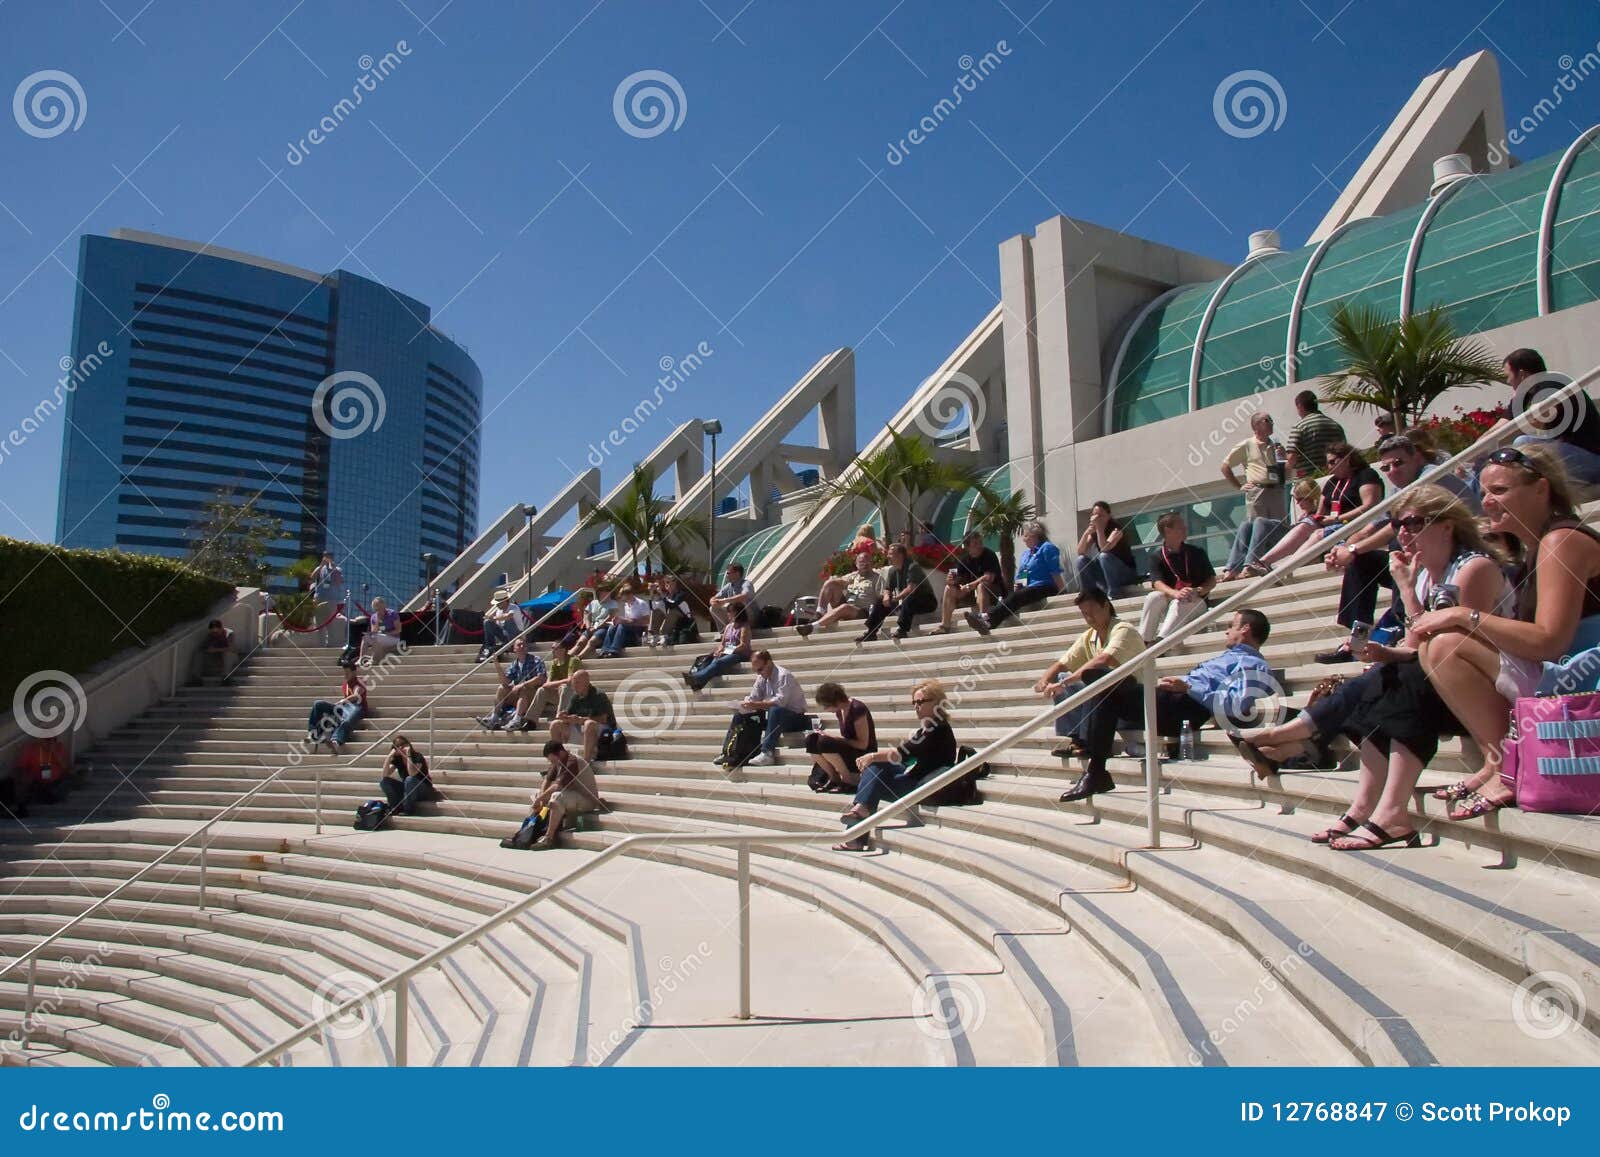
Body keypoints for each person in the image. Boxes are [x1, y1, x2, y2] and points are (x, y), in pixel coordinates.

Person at [1312, 485, 1513, 849]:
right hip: (1449, 677)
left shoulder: (1473, 569)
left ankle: (1393, 813)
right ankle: (1364, 806)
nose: (1403, 532)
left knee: (1408, 680)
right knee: (1380, 678)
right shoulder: (1424, 573)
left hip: (1493, 683)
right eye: (1397, 524)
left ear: (1447, 526)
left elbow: (1448, 647)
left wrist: (1405, 590)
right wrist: (1381, 652)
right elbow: (1417, 647)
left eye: (1414, 523)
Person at [1411, 445, 1600, 819]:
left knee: (1448, 645)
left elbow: (1550, 640)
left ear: (1541, 489)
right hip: (1568, 674)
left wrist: (1467, 616)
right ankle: (1497, 762)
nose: (1487, 502)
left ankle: (1507, 765)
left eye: (1500, 490)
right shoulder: (1537, 547)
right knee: (1435, 646)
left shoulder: (1561, 540)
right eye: (1483, 493)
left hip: (1584, 679)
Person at [1061, 610, 1273, 802]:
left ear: (1245, 629)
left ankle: (1097, 768)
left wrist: (1188, 687)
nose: (1226, 631)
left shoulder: (1254, 664)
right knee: (1104, 690)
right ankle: (1097, 769)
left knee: (1105, 687)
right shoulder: (1225, 657)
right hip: (1170, 700)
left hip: (1188, 709)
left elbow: (1236, 703)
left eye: (1232, 625)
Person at [1315, 434, 1451, 663]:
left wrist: (1354, 549)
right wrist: (1343, 550)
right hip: (1424, 560)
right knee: (1363, 562)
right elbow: (1373, 525)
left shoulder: (1432, 477)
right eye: (1387, 467)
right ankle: (1357, 640)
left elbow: (1394, 526)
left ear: (1416, 458)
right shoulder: (1399, 491)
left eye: (1399, 463)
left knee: (1398, 545)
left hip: (1448, 559)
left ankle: (1400, 627)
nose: (1392, 472)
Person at [835, 680, 957, 852]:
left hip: (923, 786)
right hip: (916, 777)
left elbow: (902, 754)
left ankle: (857, 828)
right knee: (875, 770)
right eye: (914, 702)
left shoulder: (937, 729)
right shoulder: (928, 728)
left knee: (874, 776)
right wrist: (876, 760)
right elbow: (905, 758)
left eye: (921, 702)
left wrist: (872, 755)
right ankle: (860, 812)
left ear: (936, 701)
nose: (916, 706)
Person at [1034, 587, 1145, 759]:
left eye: (1093, 611)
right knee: (1064, 677)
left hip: (1136, 697)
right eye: (1084, 613)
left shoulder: (1123, 629)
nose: (1089, 618)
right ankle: (1078, 739)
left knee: (1075, 681)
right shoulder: (1089, 636)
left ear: (1106, 606)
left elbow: (1103, 660)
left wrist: (1064, 683)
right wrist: (1045, 680)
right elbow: (1062, 663)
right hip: (1109, 697)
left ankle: (1092, 741)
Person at [1255, 442, 1383, 572]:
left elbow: (1370, 506)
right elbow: (1320, 512)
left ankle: (1284, 569)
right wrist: (1315, 517)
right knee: (1305, 524)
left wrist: (1337, 518)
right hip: (1333, 524)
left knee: (1318, 534)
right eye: (1328, 463)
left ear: (1347, 459)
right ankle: (1264, 562)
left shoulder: (1365, 475)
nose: (1329, 466)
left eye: (1333, 462)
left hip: (1355, 524)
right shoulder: (1332, 482)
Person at [1503, 348, 1600, 486]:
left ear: (1522, 374)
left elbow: (1538, 420)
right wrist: (1478, 449)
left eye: (1508, 376)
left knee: (1523, 443)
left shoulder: (1554, 384)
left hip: (1593, 460)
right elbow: (1498, 428)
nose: (1507, 381)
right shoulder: (1526, 395)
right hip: (1574, 459)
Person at [1218, 412, 1288, 580]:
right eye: (1267, 420)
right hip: (1258, 491)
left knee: (1276, 527)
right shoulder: (1247, 445)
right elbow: (1225, 466)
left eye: (1271, 419)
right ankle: (1250, 565)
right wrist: (1239, 485)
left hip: (1276, 490)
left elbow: (1286, 469)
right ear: (1256, 426)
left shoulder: (1275, 445)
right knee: (1255, 528)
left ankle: (1264, 562)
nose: (1271, 422)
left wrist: (1284, 458)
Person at [968, 521, 1065, 633]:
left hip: (1045, 586)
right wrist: (1018, 584)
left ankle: (987, 619)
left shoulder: (1047, 548)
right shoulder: (1026, 554)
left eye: (1025, 535)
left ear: (1035, 535)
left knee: (1017, 597)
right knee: (1013, 597)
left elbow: (1055, 571)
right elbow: (1022, 573)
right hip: (1029, 588)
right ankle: (988, 621)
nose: (1023, 539)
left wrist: (1062, 591)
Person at [718, 650, 808, 767]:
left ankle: (767, 753)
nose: (759, 673)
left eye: (760, 669)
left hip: (795, 718)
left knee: (775, 710)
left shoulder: (783, 676)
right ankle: (730, 752)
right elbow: (754, 697)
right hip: (773, 717)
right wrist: (745, 705)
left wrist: (755, 705)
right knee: (741, 716)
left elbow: (780, 702)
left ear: (769, 663)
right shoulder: (761, 677)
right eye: (756, 671)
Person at [1139, 512, 1217, 643]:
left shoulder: (1196, 552)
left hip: (1196, 601)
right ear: (1168, 531)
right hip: (1173, 600)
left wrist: (1197, 590)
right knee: (1153, 597)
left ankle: (1161, 642)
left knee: (1180, 601)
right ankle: (1144, 641)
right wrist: (1175, 593)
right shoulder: (1156, 557)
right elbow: (1157, 583)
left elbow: (1212, 580)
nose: (1185, 529)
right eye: (1181, 527)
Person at [524, 740, 602, 849]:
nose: (552, 763)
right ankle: (526, 832)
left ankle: (549, 838)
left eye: (552, 760)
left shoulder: (573, 761)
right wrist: (540, 799)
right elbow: (547, 779)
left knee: (556, 797)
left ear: (560, 753)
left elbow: (557, 786)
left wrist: (541, 800)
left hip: (587, 800)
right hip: (572, 797)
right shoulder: (558, 761)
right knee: (537, 795)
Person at [806, 682, 877, 791]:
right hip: (851, 751)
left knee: (824, 742)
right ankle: (834, 778)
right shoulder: (840, 711)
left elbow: (863, 744)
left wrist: (835, 739)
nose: (825, 709)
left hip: (863, 753)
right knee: (811, 740)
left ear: (836, 701)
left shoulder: (857, 708)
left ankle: (848, 779)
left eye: (826, 705)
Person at [859, 543, 937, 641]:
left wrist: (896, 598)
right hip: (906, 601)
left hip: (926, 601)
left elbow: (910, 588)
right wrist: (886, 597)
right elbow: (887, 588)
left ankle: (902, 630)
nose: (888, 556)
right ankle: (871, 632)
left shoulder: (913, 567)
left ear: (900, 555)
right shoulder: (892, 571)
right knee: (880, 603)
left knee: (909, 599)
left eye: (890, 554)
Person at [796, 551, 883, 636]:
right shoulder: (852, 576)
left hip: (863, 611)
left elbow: (881, 598)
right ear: (856, 564)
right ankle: (819, 613)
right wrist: (842, 581)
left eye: (868, 561)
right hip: (847, 605)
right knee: (830, 584)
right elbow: (836, 583)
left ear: (872, 563)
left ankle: (812, 627)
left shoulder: (877, 578)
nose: (865, 564)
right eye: (862, 562)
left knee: (845, 607)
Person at [932, 531, 1004, 634]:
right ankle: (945, 625)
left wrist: (972, 585)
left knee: (981, 585)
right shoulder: (964, 560)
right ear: (967, 547)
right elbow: (959, 579)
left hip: (993, 592)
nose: (979, 545)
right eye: (975, 543)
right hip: (972, 593)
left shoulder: (989, 555)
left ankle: (983, 619)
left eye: (980, 542)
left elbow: (989, 577)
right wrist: (951, 581)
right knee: (949, 588)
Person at [476, 637, 547, 731]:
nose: (521, 646)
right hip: (519, 696)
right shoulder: (514, 664)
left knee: (524, 689)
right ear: (514, 649)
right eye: (519, 645)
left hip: (533, 695)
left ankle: (517, 720)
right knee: (502, 688)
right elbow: (506, 682)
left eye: (523, 644)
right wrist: (497, 664)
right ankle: (494, 717)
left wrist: (522, 685)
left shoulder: (536, 660)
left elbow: (541, 678)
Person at [550, 670, 616, 764]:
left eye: (577, 682)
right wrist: (564, 717)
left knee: (589, 724)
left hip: (604, 733)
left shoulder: (598, 695)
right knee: (555, 725)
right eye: (573, 682)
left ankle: (586, 763)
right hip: (584, 731)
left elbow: (603, 719)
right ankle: (558, 763)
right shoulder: (575, 697)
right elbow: (570, 716)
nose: (574, 686)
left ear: (587, 682)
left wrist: (581, 720)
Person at [684, 605, 754, 691]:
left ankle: (696, 677)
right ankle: (698, 683)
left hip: (740, 653)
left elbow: (743, 645)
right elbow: (723, 643)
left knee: (718, 662)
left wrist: (727, 650)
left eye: (730, 612)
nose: (728, 614)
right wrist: (720, 649)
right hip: (727, 650)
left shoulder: (744, 627)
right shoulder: (728, 626)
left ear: (737, 613)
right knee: (713, 660)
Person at [1074, 502, 1138, 593]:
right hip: (1106, 575)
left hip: (1125, 573)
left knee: (1104, 556)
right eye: (1094, 515)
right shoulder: (1093, 532)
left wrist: (1100, 529)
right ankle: (1089, 595)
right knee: (1080, 560)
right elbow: (1080, 551)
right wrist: (1086, 533)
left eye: (1100, 515)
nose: (1097, 518)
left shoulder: (1116, 529)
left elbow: (1105, 548)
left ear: (1108, 516)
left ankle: (1114, 593)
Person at [3, 736, 73, 818]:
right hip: (37, 782)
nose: (50, 742)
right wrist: (24, 775)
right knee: (11, 782)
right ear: (40, 740)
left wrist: (54, 752)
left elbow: (66, 768)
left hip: (55, 783)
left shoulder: (59, 748)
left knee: (65, 783)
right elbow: (20, 766)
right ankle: (21, 809)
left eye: (53, 739)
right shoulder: (32, 749)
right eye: (47, 739)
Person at [1284, 389, 1346, 479]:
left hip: (1309, 481)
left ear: (1300, 406)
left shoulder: (1299, 426)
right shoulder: (1335, 425)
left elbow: (1292, 458)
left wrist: (1281, 473)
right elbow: (1344, 450)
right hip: (1333, 477)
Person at [522, 638, 583, 724]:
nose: (553, 651)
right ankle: (530, 720)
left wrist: (554, 684)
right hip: (561, 694)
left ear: (563, 650)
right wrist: (554, 684)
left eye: (555, 648)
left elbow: (570, 681)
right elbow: (547, 684)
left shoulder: (573, 660)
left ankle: (561, 717)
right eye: (552, 648)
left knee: (564, 687)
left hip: (576, 695)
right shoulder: (555, 663)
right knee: (541, 690)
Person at [307, 669, 367, 754]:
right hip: (343, 707)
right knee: (318, 704)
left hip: (355, 706)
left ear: (354, 672)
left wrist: (343, 701)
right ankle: (313, 733)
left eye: (348, 673)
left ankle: (335, 741)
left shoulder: (360, 681)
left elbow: (356, 696)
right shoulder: (345, 684)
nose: (345, 675)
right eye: (345, 673)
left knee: (346, 719)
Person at [379, 735, 434, 816]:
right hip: (409, 789)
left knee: (410, 779)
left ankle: (408, 809)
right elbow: (385, 775)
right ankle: (394, 807)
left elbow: (412, 773)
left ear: (408, 744)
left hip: (423, 789)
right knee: (384, 781)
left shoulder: (417, 757)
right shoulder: (398, 759)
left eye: (403, 744)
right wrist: (389, 757)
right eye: (397, 746)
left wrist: (408, 755)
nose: (401, 747)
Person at [598, 581, 651, 658]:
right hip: (630, 627)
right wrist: (621, 620)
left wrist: (631, 621)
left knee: (621, 626)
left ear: (629, 594)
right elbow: (628, 620)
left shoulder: (641, 603)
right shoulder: (627, 605)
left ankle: (614, 650)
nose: (622, 598)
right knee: (613, 626)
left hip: (640, 629)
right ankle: (605, 650)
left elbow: (647, 620)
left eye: (623, 596)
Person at [568, 585, 618, 661]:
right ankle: (567, 657)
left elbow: (611, 617)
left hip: (604, 627)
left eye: (608, 592)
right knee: (580, 642)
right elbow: (586, 615)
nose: (607, 594)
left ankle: (577, 658)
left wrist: (597, 628)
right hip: (591, 627)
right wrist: (588, 627)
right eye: (604, 592)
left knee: (592, 641)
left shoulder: (613, 603)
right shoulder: (593, 603)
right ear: (599, 593)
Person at [479, 589, 530, 661]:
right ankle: (490, 646)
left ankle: (511, 645)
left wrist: (494, 618)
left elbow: (509, 616)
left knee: (508, 621)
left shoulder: (514, 607)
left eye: (499, 603)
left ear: (505, 601)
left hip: (517, 635)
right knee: (487, 622)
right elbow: (499, 626)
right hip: (505, 635)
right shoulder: (498, 611)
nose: (497, 605)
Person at [647, 575, 695, 645]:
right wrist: (651, 593)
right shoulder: (666, 596)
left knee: (673, 611)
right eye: (665, 582)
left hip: (684, 619)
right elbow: (652, 607)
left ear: (675, 583)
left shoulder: (681, 594)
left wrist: (661, 593)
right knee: (656, 611)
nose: (667, 584)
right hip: (671, 619)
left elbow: (672, 605)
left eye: (668, 582)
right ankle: (655, 636)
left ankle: (665, 635)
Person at [309, 552, 345, 646]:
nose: (328, 559)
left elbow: (339, 582)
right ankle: (319, 644)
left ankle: (330, 644)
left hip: (331, 600)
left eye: (330, 557)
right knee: (318, 623)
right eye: (326, 557)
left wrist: (333, 568)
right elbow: (312, 577)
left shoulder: (337, 569)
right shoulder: (320, 568)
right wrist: (321, 565)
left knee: (331, 623)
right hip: (319, 598)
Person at [358, 597, 404, 666]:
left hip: (394, 638)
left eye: (379, 608)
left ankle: (374, 660)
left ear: (384, 606)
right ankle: (360, 659)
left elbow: (398, 630)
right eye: (376, 609)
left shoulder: (392, 614)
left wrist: (385, 633)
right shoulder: (374, 617)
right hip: (381, 637)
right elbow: (374, 632)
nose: (378, 610)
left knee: (376, 637)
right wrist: (377, 621)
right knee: (365, 637)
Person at [709, 563, 757, 628]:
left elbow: (745, 595)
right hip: (736, 616)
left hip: (751, 617)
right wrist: (713, 601)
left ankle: (743, 627)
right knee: (713, 608)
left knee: (741, 603)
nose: (726, 575)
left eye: (728, 573)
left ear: (737, 574)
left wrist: (724, 600)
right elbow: (714, 597)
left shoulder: (746, 583)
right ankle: (725, 631)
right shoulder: (728, 586)